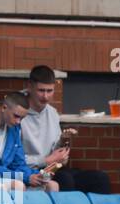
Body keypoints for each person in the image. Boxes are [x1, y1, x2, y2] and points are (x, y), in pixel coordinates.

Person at [20, 65, 111, 194]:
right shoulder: (17, 114)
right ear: (29, 86)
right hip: (31, 172)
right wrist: (45, 160)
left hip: (54, 168)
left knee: (100, 178)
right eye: (41, 90)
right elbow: (12, 159)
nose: (45, 96)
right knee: (65, 179)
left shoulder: (52, 113)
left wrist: (63, 143)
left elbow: (59, 159)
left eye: (49, 91)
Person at [0, 92, 57, 192]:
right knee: (19, 186)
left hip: (7, 177)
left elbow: (19, 164)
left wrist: (38, 175)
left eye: (22, 118)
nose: (18, 121)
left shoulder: (14, 129)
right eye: (16, 116)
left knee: (52, 185)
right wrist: (25, 177)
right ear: (4, 108)